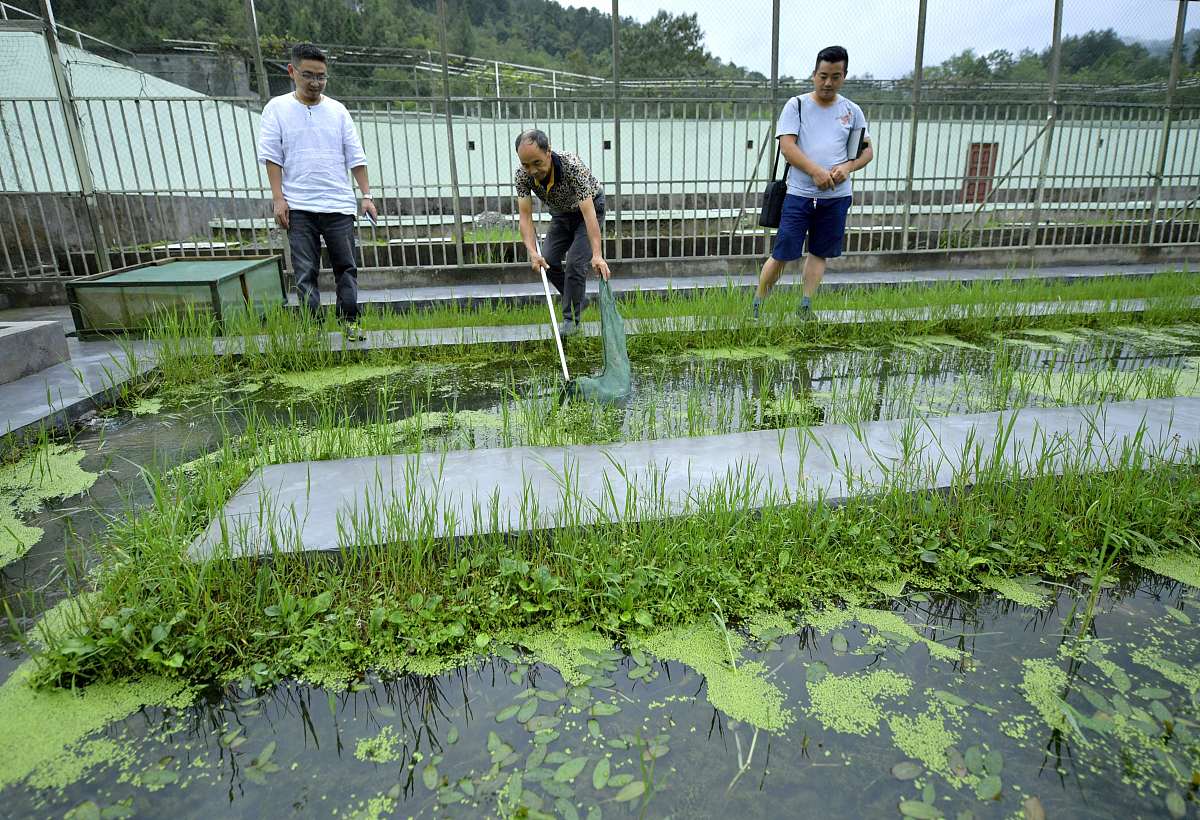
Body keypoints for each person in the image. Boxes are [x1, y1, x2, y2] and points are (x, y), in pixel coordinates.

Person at [257, 43, 378, 340]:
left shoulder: (337, 111)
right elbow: (272, 157)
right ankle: (312, 330)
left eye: (321, 77)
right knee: (304, 271)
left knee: (346, 267)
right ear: (292, 71)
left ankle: (350, 321)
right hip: (299, 206)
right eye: (308, 75)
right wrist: (278, 199)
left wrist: (366, 195)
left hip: (337, 204)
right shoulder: (277, 109)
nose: (315, 82)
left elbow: (355, 155)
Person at [752, 45, 873, 321]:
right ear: (813, 74)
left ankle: (806, 305)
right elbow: (788, 147)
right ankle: (758, 304)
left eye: (835, 76)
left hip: (836, 196)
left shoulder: (852, 111)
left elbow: (867, 150)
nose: (828, 82)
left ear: (844, 76)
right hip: (799, 194)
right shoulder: (796, 106)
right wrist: (816, 171)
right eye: (823, 76)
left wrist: (847, 167)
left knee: (820, 252)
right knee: (783, 252)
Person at [513, 129, 611, 337]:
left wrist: (597, 254)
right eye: (526, 164)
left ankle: (570, 321)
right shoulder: (522, 176)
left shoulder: (571, 166)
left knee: (576, 262)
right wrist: (532, 252)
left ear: (548, 152)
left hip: (589, 210)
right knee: (547, 260)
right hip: (561, 214)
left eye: (537, 163)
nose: (531, 170)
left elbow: (588, 212)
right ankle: (578, 300)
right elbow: (525, 216)